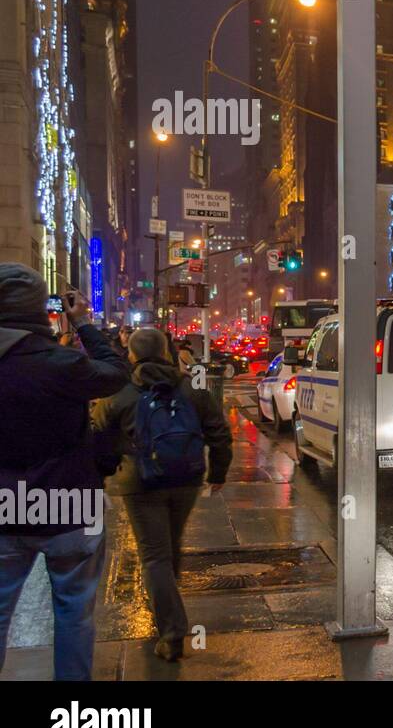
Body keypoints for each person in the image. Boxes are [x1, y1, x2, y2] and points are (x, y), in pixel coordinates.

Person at [0, 264, 129, 681]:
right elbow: (115, 373)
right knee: (75, 613)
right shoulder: (63, 363)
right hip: (69, 507)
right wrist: (84, 324)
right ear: (42, 308)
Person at [92, 328, 231, 662]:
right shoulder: (192, 388)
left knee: (154, 555)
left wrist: (108, 471)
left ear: (132, 355)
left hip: (141, 483)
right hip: (187, 479)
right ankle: (166, 602)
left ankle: (171, 632)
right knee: (172, 544)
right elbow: (219, 431)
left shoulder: (121, 392)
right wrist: (218, 473)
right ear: (167, 352)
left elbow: (98, 437)